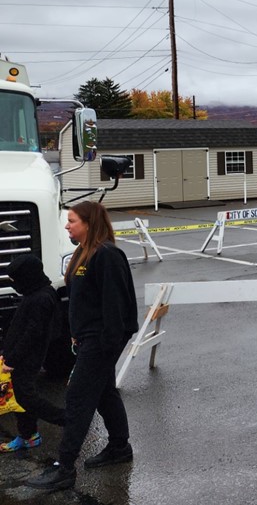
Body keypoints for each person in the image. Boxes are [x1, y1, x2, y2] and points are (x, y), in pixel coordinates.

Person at [27, 201, 138, 492]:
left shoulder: (108, 255)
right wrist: (76, 333)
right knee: (104, 392)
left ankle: (64, 469)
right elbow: (83, 301)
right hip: (89, 337)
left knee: (77, 398)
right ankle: (119, 447)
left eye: (72, 221)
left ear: (89, 223)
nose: (67, 225)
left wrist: (106, 346)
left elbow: (115, 305)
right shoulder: (82, 253)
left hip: (103, 339)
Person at [0, 255, 66, 453]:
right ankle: (28, 435)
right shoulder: (34, 293)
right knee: (18, 396)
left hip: (27, 357)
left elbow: (32, 333)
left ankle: (67, 420)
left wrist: (12, 359)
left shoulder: (41, 298)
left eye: (15, 280)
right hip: (16, 355)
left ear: (26, 277)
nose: (14, 284)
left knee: (26, 398)